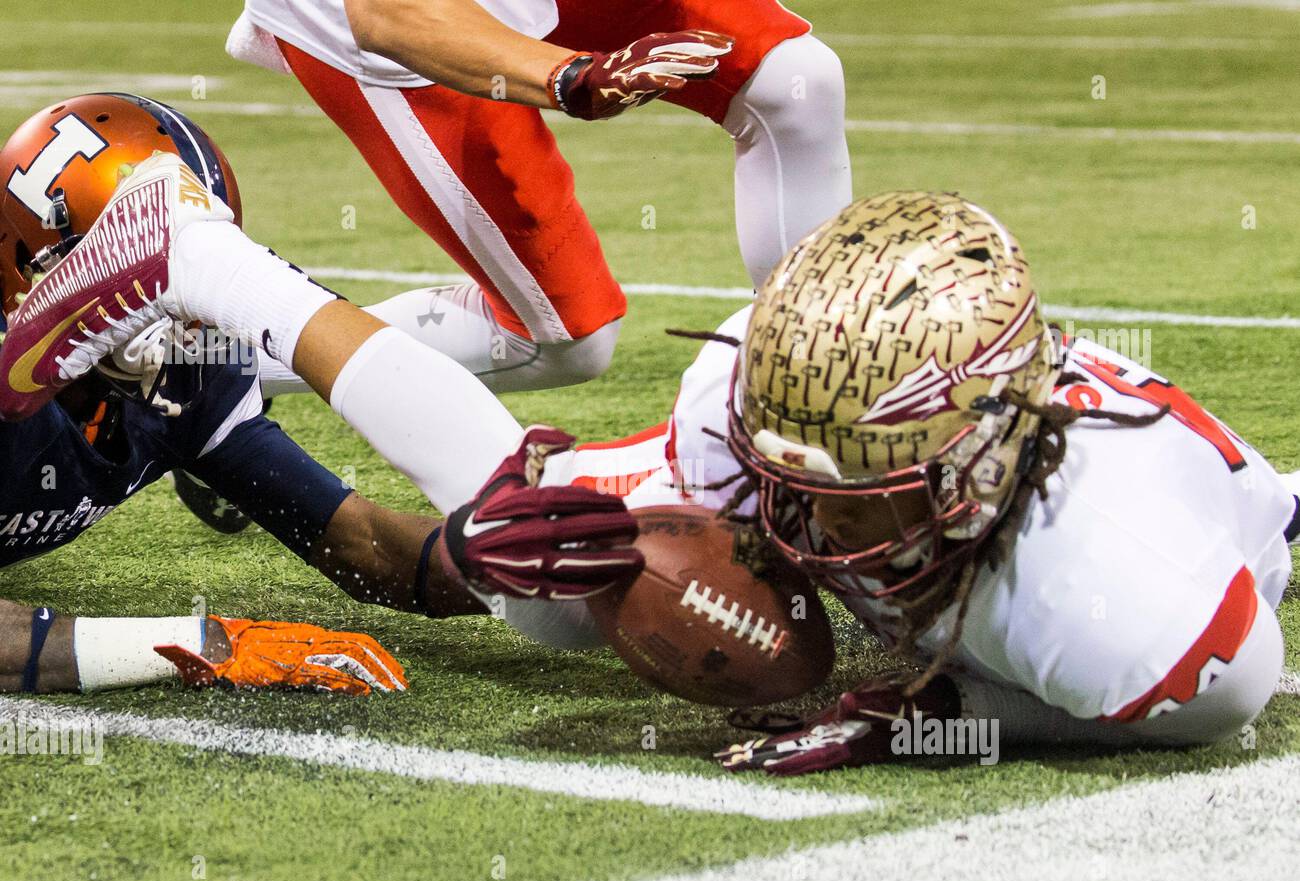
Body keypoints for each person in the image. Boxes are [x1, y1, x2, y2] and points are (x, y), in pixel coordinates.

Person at [461, 191, 1300, 772]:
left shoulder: (1097, 572)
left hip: (1226, 522)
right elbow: (575, 574)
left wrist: (947, 717)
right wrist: (499, 550)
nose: (807, 522)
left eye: (862, 486)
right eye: (783, 471)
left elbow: (1226, 699)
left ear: (984, 454)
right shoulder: (753, 407)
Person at [0, 103, 642, 695]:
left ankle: (197, 258)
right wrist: (191, 643)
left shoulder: (189, 375)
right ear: (31, 269)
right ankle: (198, 258)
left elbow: (359, 545)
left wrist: (478, 557)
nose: (189, 333)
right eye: (160, 307)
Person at [226, 0, 853, 396]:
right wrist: (570, 76)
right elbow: (390, 14)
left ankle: (803, 384)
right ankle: (213, 383)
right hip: (408, 28)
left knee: (796, 83)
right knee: (558, 340)